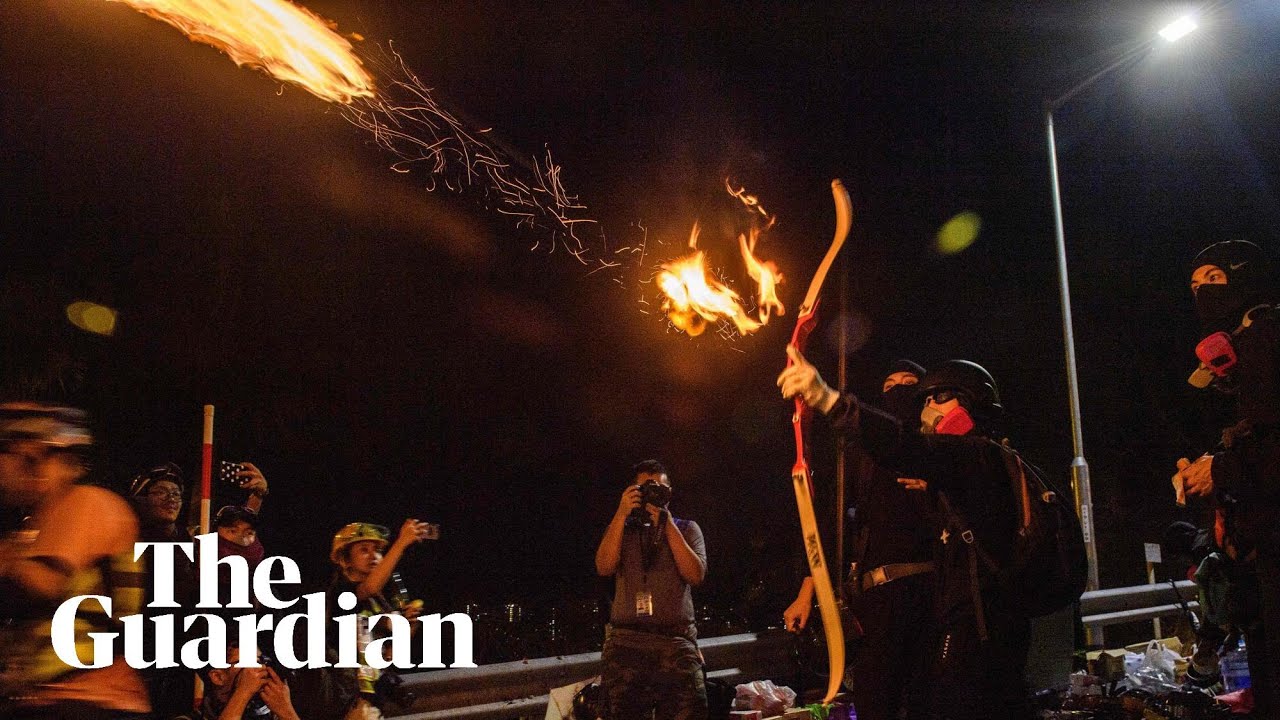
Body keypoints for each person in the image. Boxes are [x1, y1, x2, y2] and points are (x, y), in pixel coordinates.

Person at [780, 352, 1031, 719]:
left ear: (972, 402)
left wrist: (829, 399)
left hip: (977, 626)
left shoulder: (977, 455)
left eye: (937, 397)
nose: (927, 406)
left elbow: (902, 443)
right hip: (951, 618)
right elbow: (834, 524)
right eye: (924, 398)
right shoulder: (948, 466)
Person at [783, 360, 937, 720]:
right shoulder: (861, 454)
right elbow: (829, 524)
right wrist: (808, 594)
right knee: (874, 702)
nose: (898, 389)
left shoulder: (934, 446)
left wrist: (932, 488)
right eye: (889, 384)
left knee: (925, 703)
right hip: (876, 599)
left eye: (909, 383)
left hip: (931, 593)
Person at [1174, 239, 1280, 713]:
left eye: (1214, 279)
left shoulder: (1265, 337)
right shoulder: (1249, 341)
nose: (1203, 293)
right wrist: (1209, 466)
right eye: (1195, 286)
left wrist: (1219, 468)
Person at [0, 402, 150, 719]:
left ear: (32, 454)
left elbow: (43, 583)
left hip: (89, 704)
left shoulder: (87, 503)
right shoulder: (36, 527)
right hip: (57, 702)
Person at [594, 459, 707, 720]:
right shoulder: (621, 530)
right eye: (645, 489)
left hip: (676, 642)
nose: (653, 495)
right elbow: (604, 566)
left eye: (660, 489)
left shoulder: (687, 529)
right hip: (627, 643)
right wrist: (621, 513)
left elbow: (695, 574)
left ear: (670, 493)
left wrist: (666, 523)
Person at [326, 519, 432, 719]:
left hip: (372, 697)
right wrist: (401, 543)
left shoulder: (378, 602)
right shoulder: (341, 593)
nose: (373, 555)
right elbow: (369, 588)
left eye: (377, 550)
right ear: (344, 560)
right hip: (348, 699)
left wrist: (409, 626)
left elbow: (390, 655)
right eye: (364, 550)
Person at [129, 462, 198, 717]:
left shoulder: (188, 541)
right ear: (142, 498)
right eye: (161, 491)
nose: (172, 499)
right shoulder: (129, 538)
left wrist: (255, 498)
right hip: (143, 654)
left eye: (176, 493)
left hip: (182, 654)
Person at [193, 640, 300, 720]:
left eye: (260, 660)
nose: (261, 668)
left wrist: (287, 713)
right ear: (218, 677)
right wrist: (243, 693)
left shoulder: (271, 714)